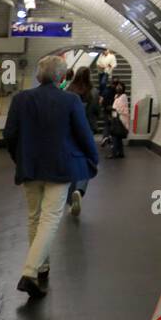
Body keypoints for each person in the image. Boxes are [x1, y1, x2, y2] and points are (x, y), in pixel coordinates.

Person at [4, 54, 99, 298]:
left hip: (29, 167)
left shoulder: (20, 99)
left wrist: (20, 158)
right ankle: (30, 271)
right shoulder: (70, 100)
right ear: (61, 76)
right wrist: (92, 158)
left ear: (39, 75)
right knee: (50, 218)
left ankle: (42, 266)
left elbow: (10, 135)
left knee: (34, 217)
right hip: (60, 167)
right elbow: (83, 134)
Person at [64, 66, 102, 216]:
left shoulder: (69, 90)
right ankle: (79, 190)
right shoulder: (93, 92)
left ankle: (70, 200)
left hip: (70, 131)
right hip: (87, 130)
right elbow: (97, 112)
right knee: (86, 162)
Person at [107, 81, 131, 159]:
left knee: (115, 136)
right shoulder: (117, 96)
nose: (118, 88)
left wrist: (112, 108)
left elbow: (120, 109)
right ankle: (120, 153)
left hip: (121, 119)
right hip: (116, 118)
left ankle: (113, 153)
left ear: (123, 88)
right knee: (118, 136)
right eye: (117, 86)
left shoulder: (123, 97)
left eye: (120, 86)